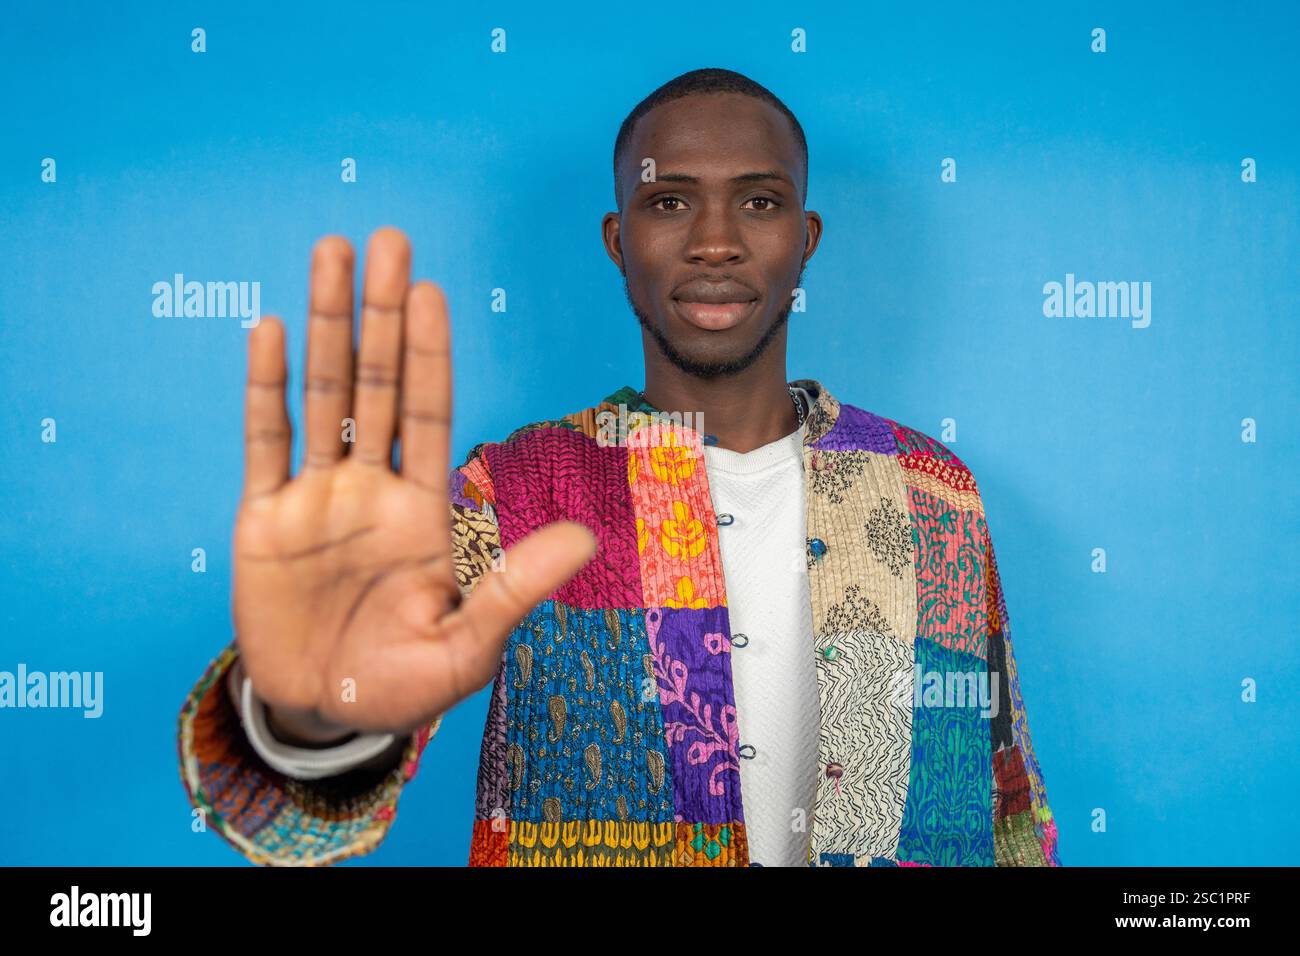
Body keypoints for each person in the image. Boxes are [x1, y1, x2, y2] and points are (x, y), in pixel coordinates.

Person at [178, 67, 1060, 868]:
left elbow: (1009, 811)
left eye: (758, 203)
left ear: (807, 236)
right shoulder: (513, 489)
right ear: (617, 236)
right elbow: (323, 766)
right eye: (670, 202)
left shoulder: (933, 488)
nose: (715, 242)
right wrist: (312, 715)